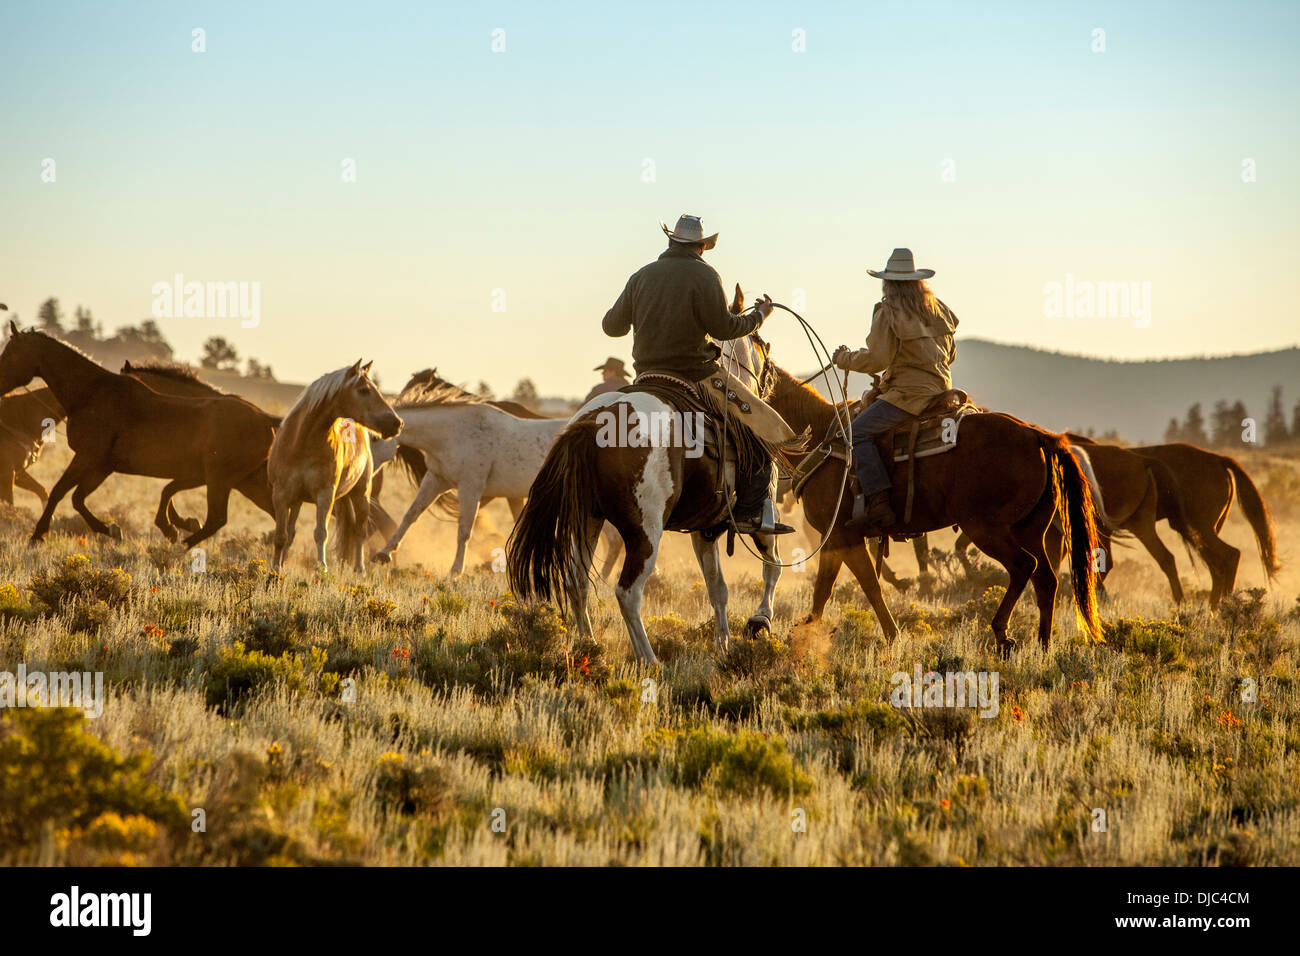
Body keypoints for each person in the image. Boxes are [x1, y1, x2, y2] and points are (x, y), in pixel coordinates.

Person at [601, 214, 795, 535]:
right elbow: (725, 328)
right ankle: (749, 513)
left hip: (645, 377)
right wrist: (758, 318)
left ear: (670, 241)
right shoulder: (706, 276)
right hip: (695, 375)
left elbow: (611, 327)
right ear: (702, 247)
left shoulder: (641, 276)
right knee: (760, 429)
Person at [832, 248, 959, 533]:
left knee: (857, 433)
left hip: (908, 396)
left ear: (887, 283)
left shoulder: (888, 311)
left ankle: (879, 502)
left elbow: (877, 359)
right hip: (943, 391)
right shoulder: (938, 310)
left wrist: (844, 359)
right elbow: (951, 356)